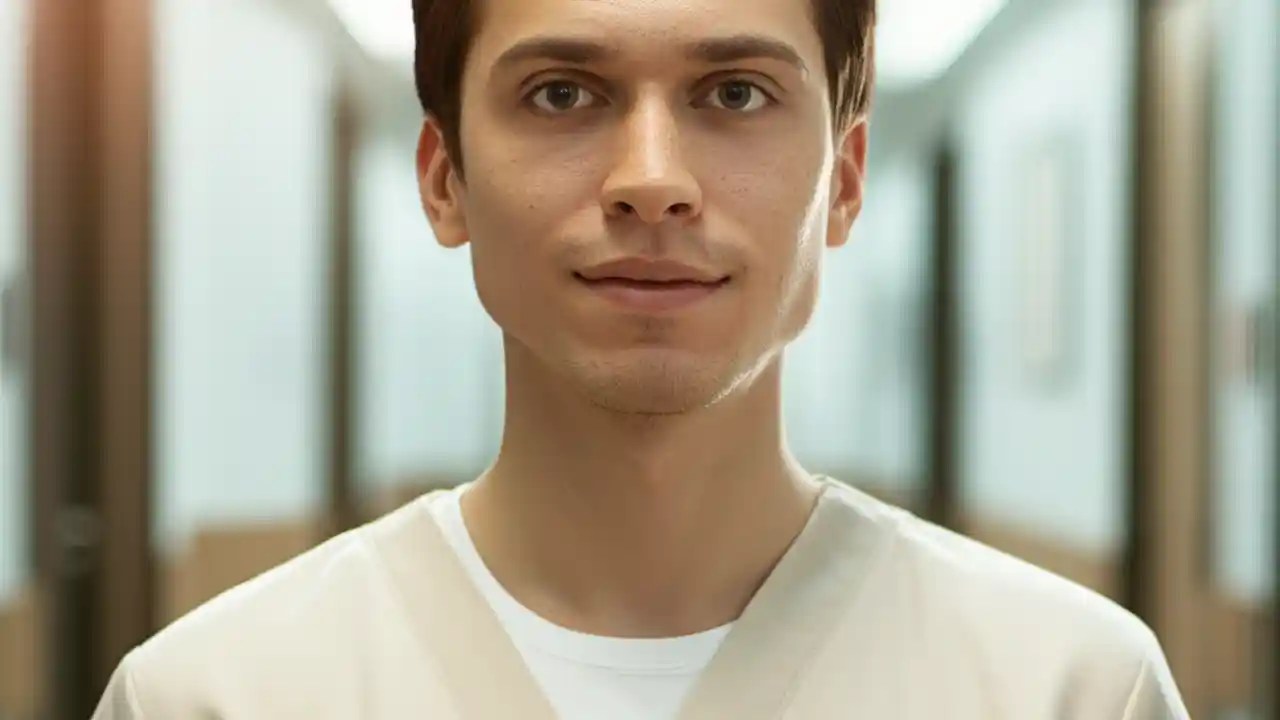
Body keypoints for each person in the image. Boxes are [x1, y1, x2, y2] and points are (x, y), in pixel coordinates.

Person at [94, 0, 1189, 717]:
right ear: (444, 181)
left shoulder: (1073, 688)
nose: (651, 179)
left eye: (734, 94)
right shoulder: (214, 696)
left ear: (842, 185)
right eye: (563, 93)